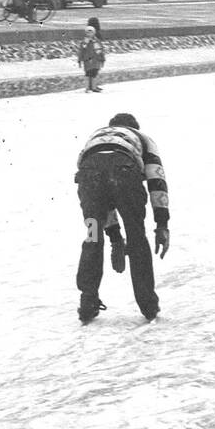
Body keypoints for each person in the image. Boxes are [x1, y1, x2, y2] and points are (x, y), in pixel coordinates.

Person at [75, 112, 170, 323]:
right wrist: (162, 224)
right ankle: (148, 305)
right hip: (125, 170)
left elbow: (104, 194)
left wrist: (114, 238)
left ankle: (87, 301)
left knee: (92, 235)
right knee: (137, 237)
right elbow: (157, 181)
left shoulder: (97, 135)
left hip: (88, 176)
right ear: (135, 127)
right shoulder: (142, 138)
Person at [77, 26, 105, 92]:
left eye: (91, 32)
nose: (89, 34)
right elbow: (82, 51)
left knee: (95, 73)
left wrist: (102, 59)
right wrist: (79, 59)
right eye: (88, 33)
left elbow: (99, 51)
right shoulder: (85, 41)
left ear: (94, 33)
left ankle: (94, 86)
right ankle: (87, 87)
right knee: (88, 73)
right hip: (88, 60)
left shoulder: (96, 41)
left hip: (96, 60)